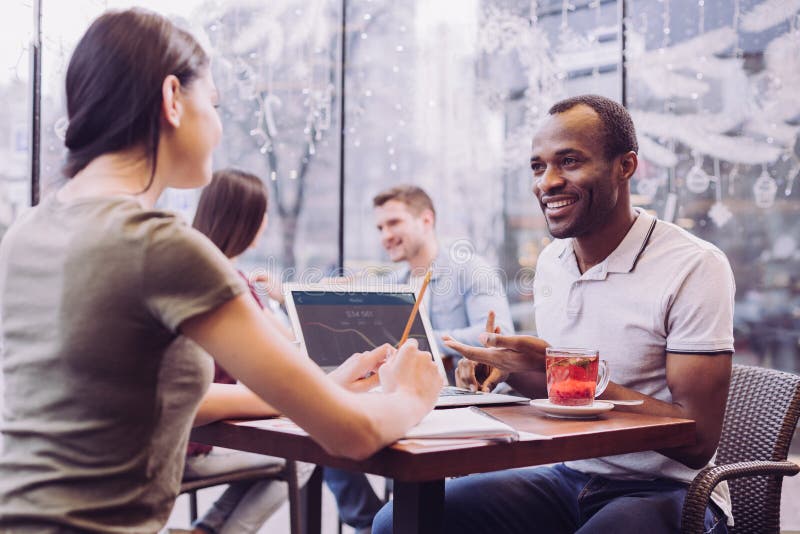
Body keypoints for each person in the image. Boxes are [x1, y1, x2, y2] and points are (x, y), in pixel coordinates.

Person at [0, 9, 441, 533]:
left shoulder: (27, 232)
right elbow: (353, 437)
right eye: (212, 104)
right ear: (171, 99)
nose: (218, 124)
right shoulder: (162, 246)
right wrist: (415, 394)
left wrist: (332, 385)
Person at [373, 94, 735, 533]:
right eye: (538, 166)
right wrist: (507, 371)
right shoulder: (553, 262)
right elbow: (562, 394)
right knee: (398, 521)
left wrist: (572, 372)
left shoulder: (694, 265)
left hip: (669, 489)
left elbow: (696, 441)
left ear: (626, 166)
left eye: (569, 161)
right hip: (567, 475)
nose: (548, 182)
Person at [325, 185, 515, 533]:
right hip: (404, 396)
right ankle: (371, 525)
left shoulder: (470, 270)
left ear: (426, 220)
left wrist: (427, 344)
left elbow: (497, 335)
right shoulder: (396, 283)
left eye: (394, 222)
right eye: (380, 228)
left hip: (462, 398)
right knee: (326, 425)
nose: (386, 235)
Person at [181, 168, 312, 534]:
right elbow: (293, 353)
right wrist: (283, 300)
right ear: (245, 219)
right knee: (304, 456)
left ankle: (205, 529)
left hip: (166, 440)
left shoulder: (185, 268)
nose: (266, 222)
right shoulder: (230, 283)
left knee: (276, 458)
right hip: (193, 448)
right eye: (262, 212)